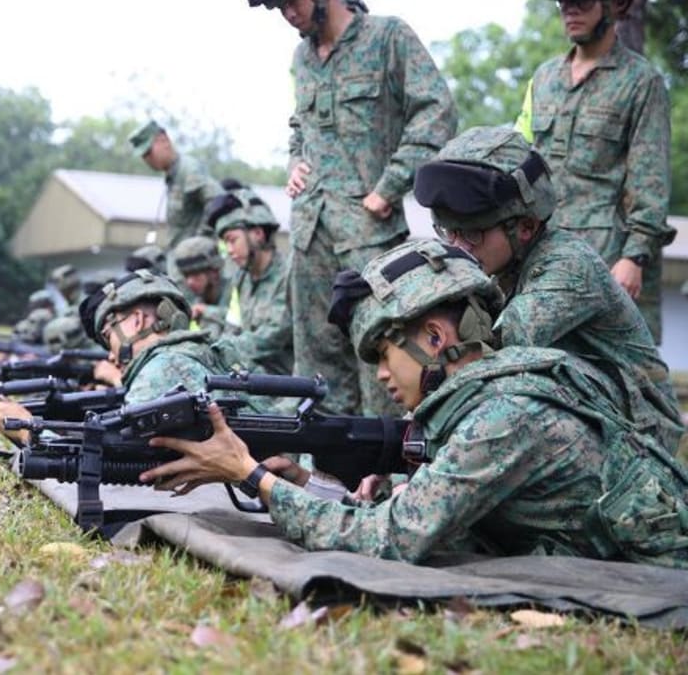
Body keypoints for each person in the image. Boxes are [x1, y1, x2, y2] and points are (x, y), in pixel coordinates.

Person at [141, 239, 688, 567]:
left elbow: (389, 541)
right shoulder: (482, 402)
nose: (379, 374)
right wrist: (298, 484)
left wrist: (247, 474)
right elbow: (409, 516)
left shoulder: (503, 417)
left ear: (434, 338)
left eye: (384, 352)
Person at [414, 125, 682, 456]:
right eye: (447, 232)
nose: (456, 248)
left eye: (471, 235)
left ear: (525, 227)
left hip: (636, 441)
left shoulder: (568, 265)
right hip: (584, 419)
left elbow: (482, 357)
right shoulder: (498, 265)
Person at [253, 0, 457, 415]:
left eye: (291, 3)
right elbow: (300, 126)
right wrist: (295, 163)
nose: (287, 14)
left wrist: (391, 185)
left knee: (383, 355)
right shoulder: (303, 56)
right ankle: (327, 472)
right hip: (310, 232)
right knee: (316, 363)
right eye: (277, 8)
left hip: (369, 233)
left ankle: (383, 474)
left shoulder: (387, 37)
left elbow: (436, 111)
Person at [515, 0, 675, 342]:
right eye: (564, 3)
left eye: (582, 3)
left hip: (610, 262)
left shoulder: (641, 82)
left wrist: (635, 256)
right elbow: (520, 158)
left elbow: (650, 180)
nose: (570, 11)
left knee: (623, 380)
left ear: (615, 6)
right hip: (545, 257)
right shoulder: (543, 78)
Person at [0, 270, 233, 443]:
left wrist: (27, 429)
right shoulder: (188, 354)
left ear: (137, 320)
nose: (111, 355)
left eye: (108, 335)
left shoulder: (163, 367)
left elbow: (105, 451)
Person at [207, 189, 294, 376]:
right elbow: (232, 326)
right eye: (225, 243)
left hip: (287, 386)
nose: (229, 250)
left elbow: (275, 335)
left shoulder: (288, 275)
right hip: (249, 375)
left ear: (257, 234)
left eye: (232, 240)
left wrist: (223, 349)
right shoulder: (241, 278)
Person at [127, 120, 225, 281]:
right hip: (178, 265)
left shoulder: (188, 169)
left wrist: (199, 241)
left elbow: (217, 200)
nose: (147, 160)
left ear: (163, 140)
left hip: (193, 269)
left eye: (148, 152)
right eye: (144, 156)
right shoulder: (172, 175)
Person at [172, 235, 237, 341]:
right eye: (186, 275)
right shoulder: (196, 299)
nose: (190, 282)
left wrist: (206, 311)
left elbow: (246, 319)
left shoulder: (236, 290)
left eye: (196, 274)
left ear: (214, 272)